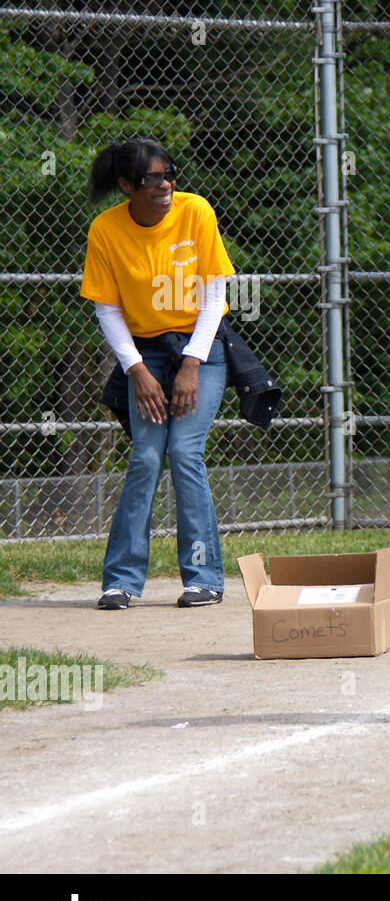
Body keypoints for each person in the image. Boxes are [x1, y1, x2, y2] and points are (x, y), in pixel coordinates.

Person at [81, 138, 234, 609]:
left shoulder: (196, 212)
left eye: (170, 174)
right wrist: (137, 371)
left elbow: (214, 295)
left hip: (199, 348)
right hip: (143, 354)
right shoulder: (105, 231)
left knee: (185, 451)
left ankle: (203, 577)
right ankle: (121, 581)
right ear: (127, 185)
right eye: (153, 178)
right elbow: (107, 311)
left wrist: (192, 363)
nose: (165, 184)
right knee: (147, 456)